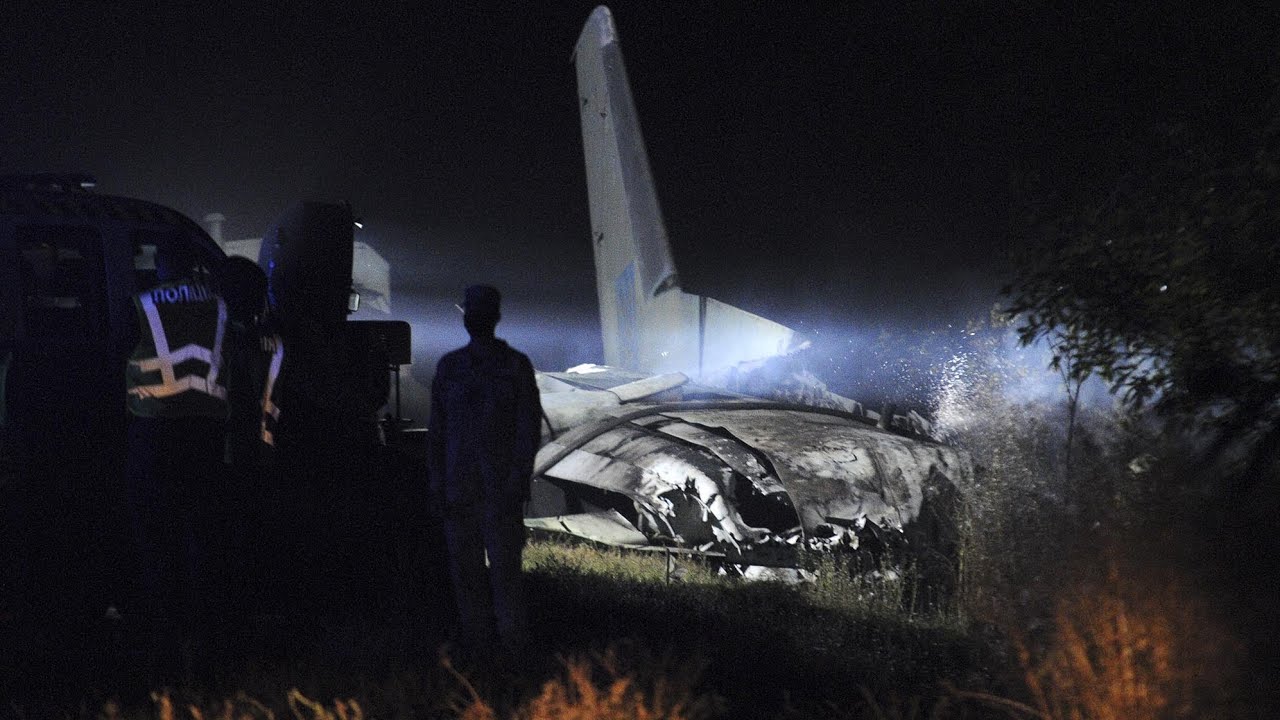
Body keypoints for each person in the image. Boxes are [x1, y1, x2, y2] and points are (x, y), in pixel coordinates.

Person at [124, 239, 228, 672]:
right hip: (204, 434)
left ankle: (163, 645)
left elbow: (121, 349)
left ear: (163, 264)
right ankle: (203, 643)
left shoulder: (143, 301)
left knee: (155, 539)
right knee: (199, 539)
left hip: (153, 431)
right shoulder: (219, 304)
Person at [428, 284, 542, 658]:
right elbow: (438, 432)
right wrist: (438, 482)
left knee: (502, 573)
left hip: (494, 489)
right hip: (469, 489)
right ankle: (485, 645)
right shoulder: (469, 367)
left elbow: (528, 430)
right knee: (470, 574)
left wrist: (516, 479)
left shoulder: (510, 368)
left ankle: (509, 646)